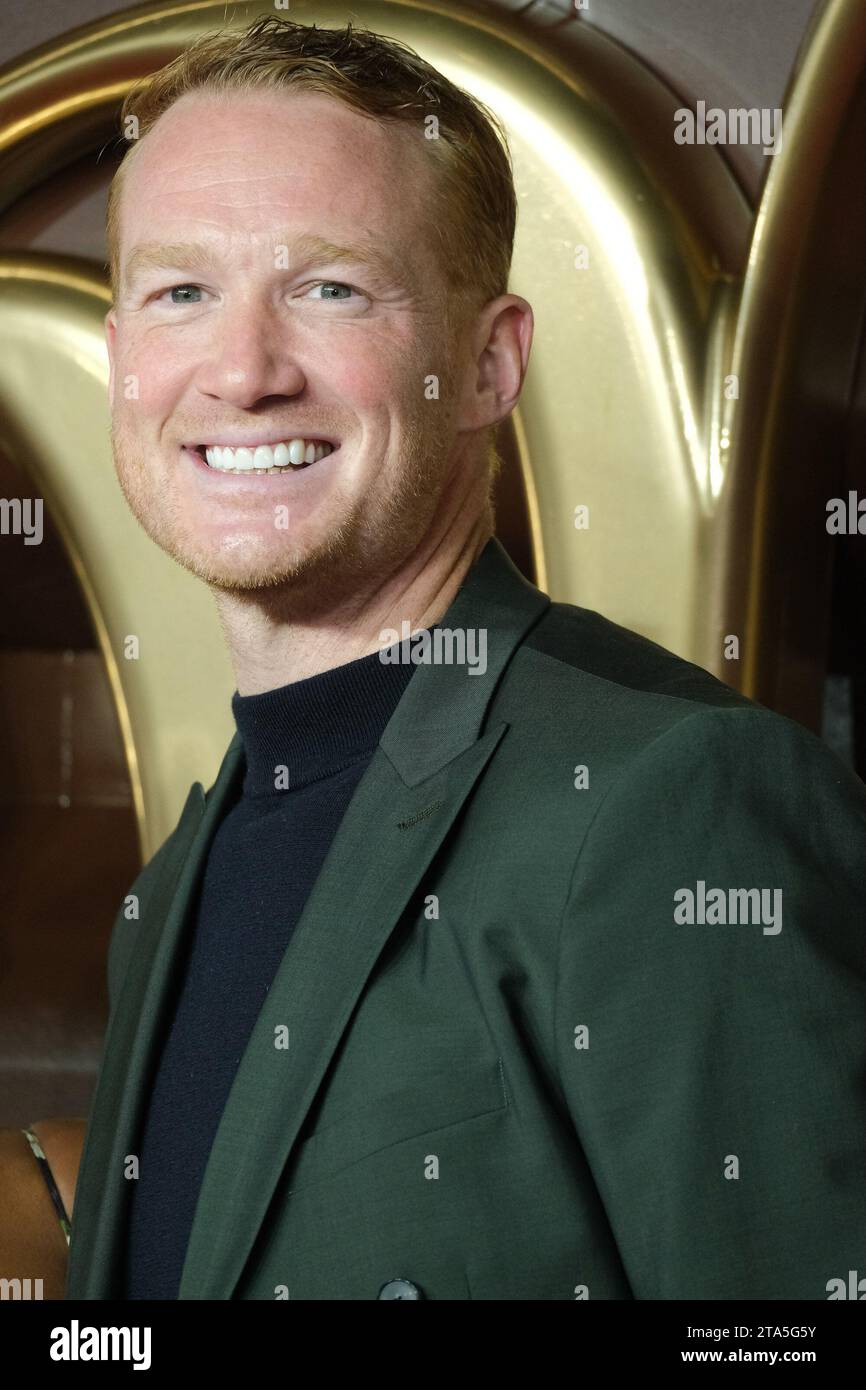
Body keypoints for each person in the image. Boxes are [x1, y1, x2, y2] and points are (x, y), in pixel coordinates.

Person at [63, 15, 866, 1300]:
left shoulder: (676, 804)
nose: (243, 370)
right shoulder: (168, 894)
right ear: (122, 364)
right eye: (181, 293)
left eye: (328, 287)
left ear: (487, 363)